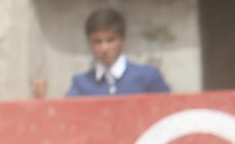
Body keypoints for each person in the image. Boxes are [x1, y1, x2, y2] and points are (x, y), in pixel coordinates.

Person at [31, 7, 171, 98]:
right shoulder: (81, 84)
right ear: (89, 44)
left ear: (123, 40)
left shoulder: (148, 77)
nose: (104, 48)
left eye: (110, 40)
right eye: (97, 42)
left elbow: (168, 116)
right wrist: (42, 100)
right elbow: (67, 121)